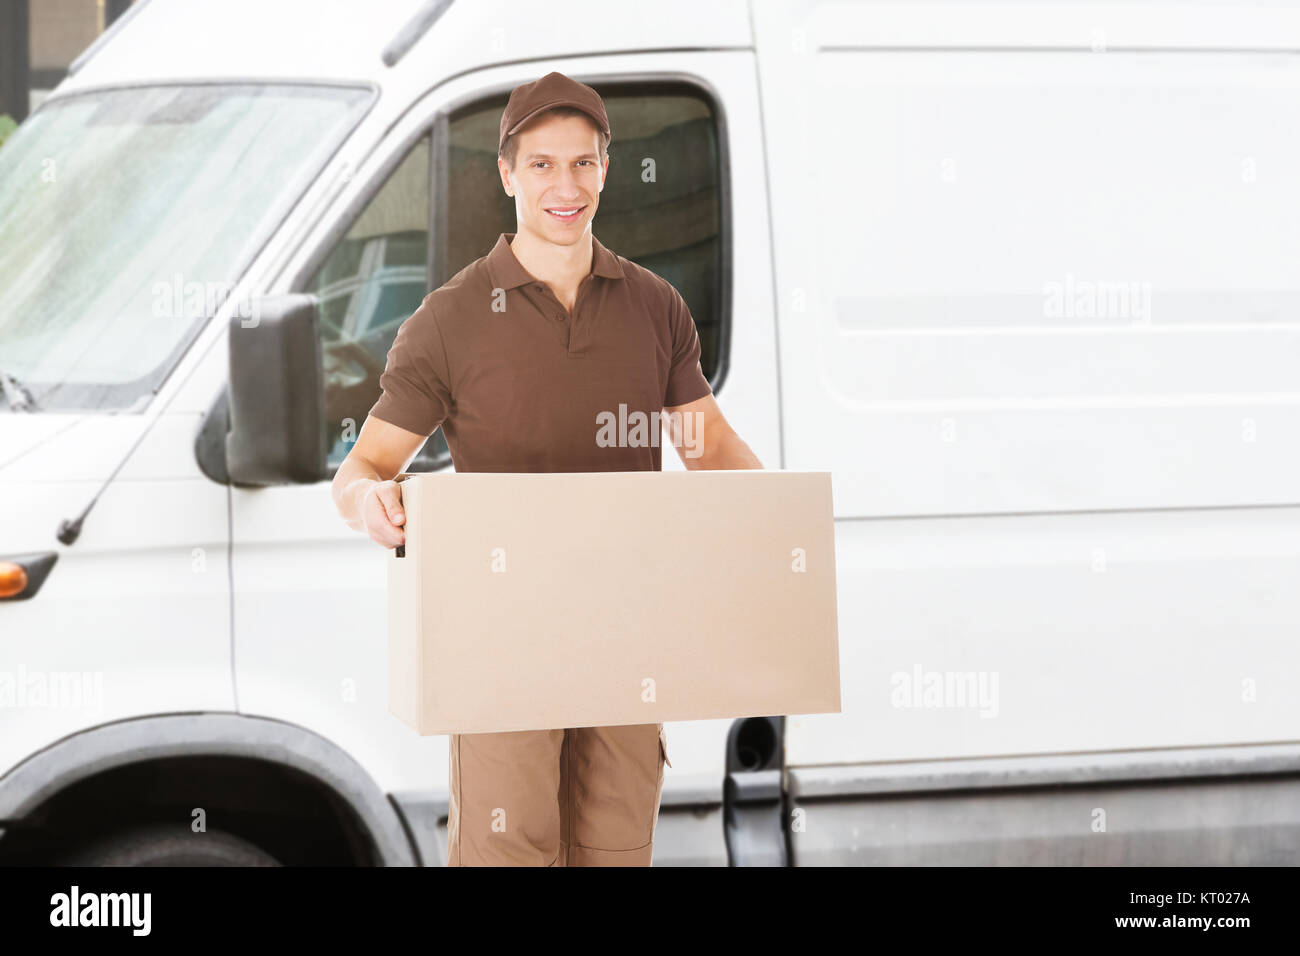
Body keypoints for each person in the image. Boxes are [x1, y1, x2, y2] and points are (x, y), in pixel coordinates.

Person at [331, 71, 762, 866]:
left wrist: (776, 525)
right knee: (509, 853)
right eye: (541, 165)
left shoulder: (654, 306)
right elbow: (364, 466)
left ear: (605, 168)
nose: (565, 186)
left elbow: (712, 452)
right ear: (506, 173)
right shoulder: (452, 318)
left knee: (615, 849)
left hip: (625, 635)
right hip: (502, 638)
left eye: (583, 164)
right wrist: (371, 505)